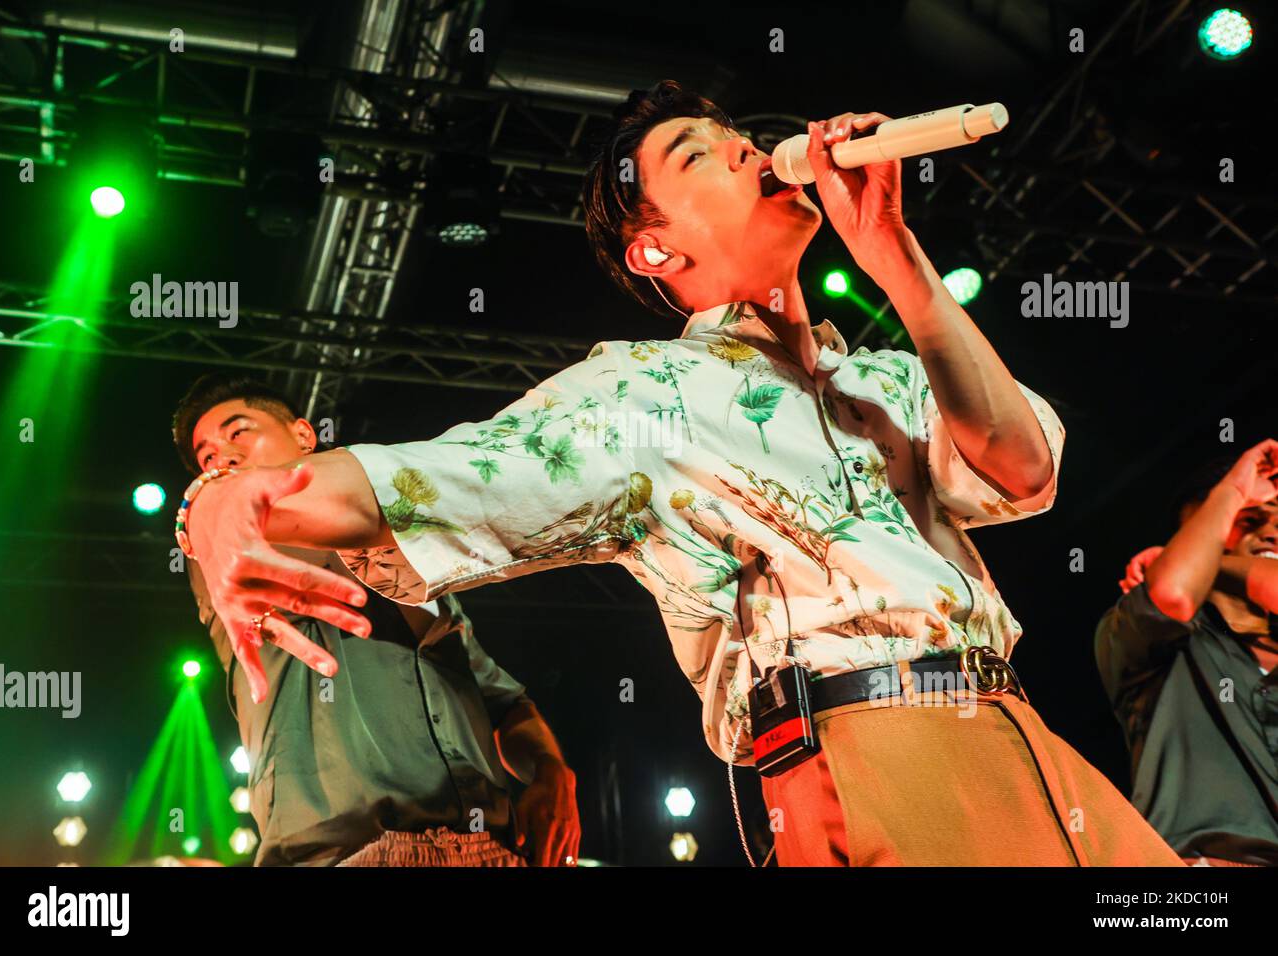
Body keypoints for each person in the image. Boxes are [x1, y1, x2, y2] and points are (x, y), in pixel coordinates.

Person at [176, 81, 1181, 865]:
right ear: (654, 246)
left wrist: (896, 256)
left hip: (1024, 728)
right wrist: (228, 501)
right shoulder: (643, 399)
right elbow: (444, 475)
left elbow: (1022, 463)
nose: (747, 148)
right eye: (698, 153)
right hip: (872, 743)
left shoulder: (883, 376)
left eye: (738, 133)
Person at [172, 373, 580, 867]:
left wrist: (552, 772)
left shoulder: (419, 567)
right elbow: (216, 514)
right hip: (341, 855)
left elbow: (503, 701)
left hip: (493, 851)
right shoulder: (231, 554)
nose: (222, 456)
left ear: (304, 434)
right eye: (207, 456)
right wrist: (203, 501)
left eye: (238, 433)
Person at [1097, 439, 1278, 866]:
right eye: (1248, 517)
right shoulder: (1149, 639)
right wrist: (1232, 491)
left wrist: (1217, 562)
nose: (1270, 531)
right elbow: (1173, 593)